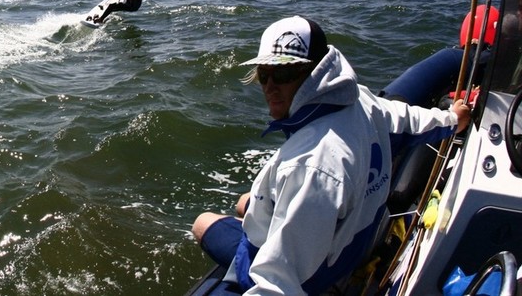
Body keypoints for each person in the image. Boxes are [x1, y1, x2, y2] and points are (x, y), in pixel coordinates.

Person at [191, 16, 472, 296]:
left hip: (316, 276)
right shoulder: (362, 101)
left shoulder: (311, 166)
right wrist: (452, 118)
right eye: (264, 74)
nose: (270, 86)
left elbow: (277, 285)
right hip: (351, 240)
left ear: (316, 72)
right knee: (244, 203)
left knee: (202, 222)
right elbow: (411, 120)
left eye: (285, 73)